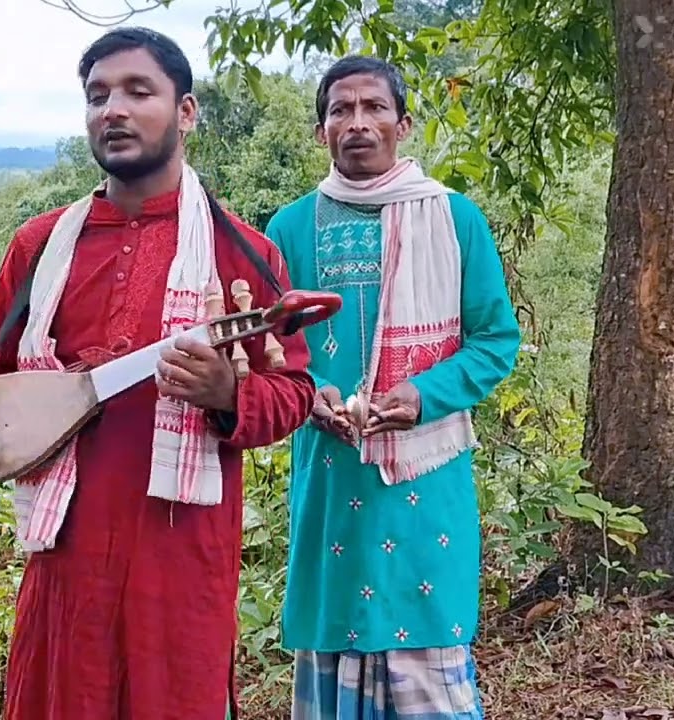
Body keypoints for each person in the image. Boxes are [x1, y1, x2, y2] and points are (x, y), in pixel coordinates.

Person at [0, 27, 316, 720]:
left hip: (181, 560)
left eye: (136, 91)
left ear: (186, 112)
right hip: (67, 560)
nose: (112, 110)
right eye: (97, 96)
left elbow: (293, 391)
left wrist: (227, 396)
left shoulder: (241, 248)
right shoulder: (42, 244)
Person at [266, 56, 521, 719]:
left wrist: (424, 395)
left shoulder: (457, 220)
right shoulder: (289, 230)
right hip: (330, 478)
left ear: (403, 124)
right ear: (320, 131)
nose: (358, 123)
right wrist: (312, 392)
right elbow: (272, 349)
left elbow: (496, 340)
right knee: (334, 644)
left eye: (374, 107)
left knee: (431, 646)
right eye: (340, 110)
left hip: (426, 481)